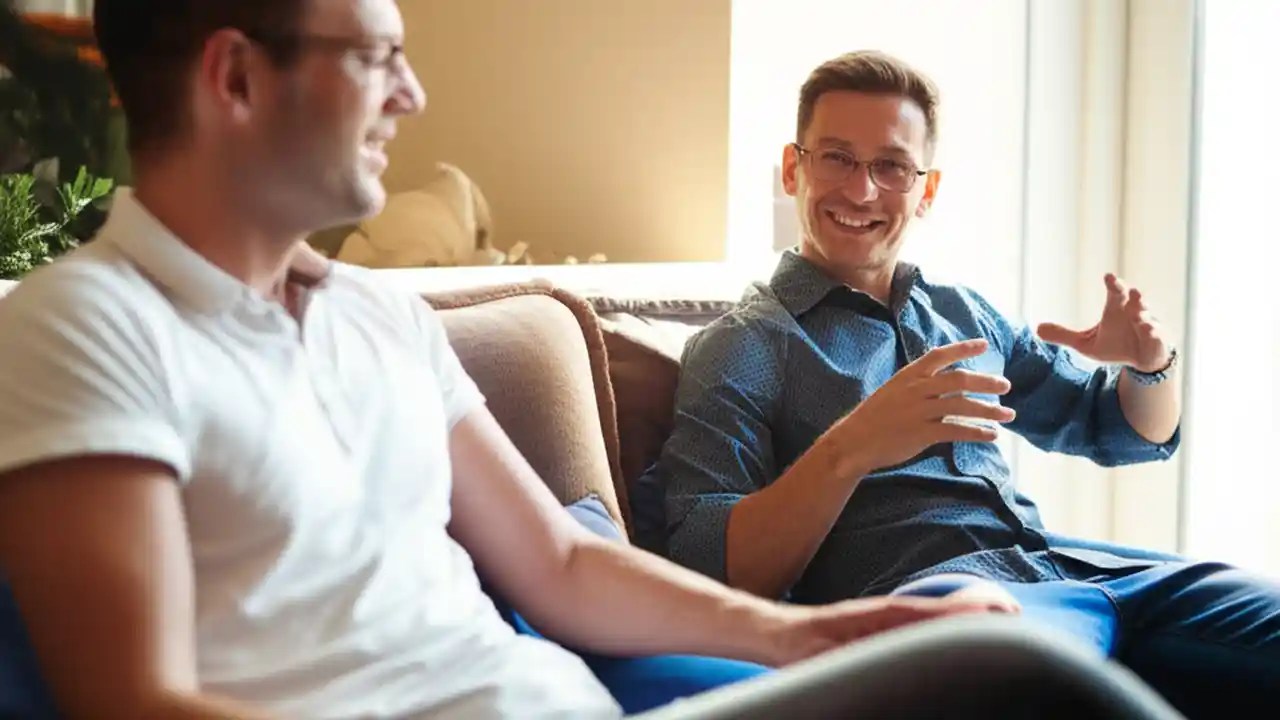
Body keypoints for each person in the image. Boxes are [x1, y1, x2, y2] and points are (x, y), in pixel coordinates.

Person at [0, 3, 1184, 718]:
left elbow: (562, 561)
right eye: (377, 55)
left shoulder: (379, 321)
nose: (413, 94)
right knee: (1012, 687)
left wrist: (812, 637)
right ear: (236, 76)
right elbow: (129, 703)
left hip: (566, 700)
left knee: (977, 669)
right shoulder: (86, 324)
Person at [634, 49, 1280, 718]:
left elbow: (1114, 428)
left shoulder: (963, 313)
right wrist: (852, 448)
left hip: (1083, 571)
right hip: (947, 606)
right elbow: (713, 566)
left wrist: (1149, 366)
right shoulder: (745, 345)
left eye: (890, 166)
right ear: (794, 169)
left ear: (927, 190)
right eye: (836, 158)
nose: (861, 191)